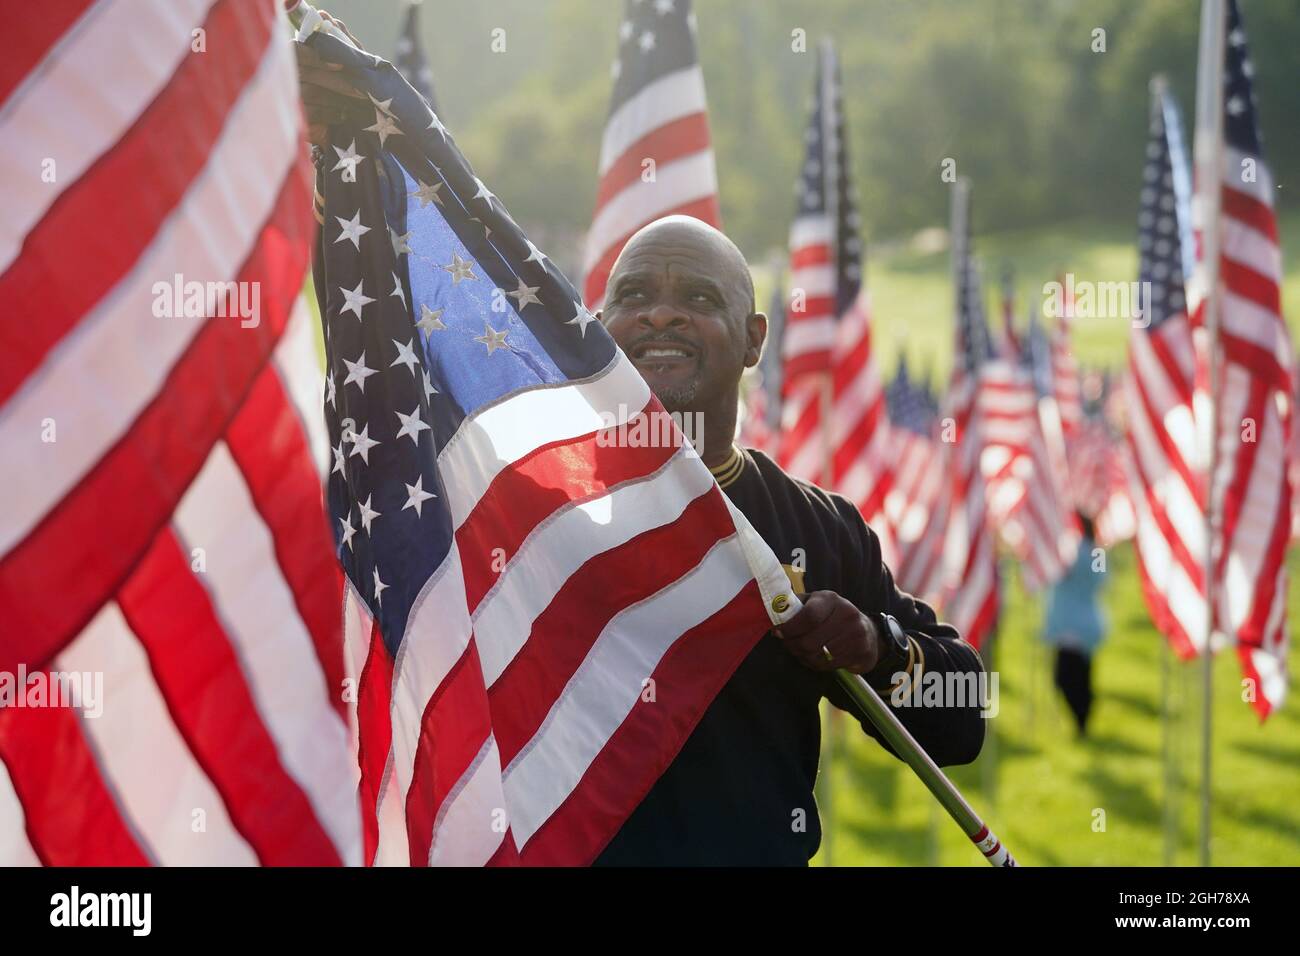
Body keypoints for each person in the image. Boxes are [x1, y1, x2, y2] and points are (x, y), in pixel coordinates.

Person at [297, 30, 986, 866]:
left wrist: (877, 644)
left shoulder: (816, 527)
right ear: (598, 328)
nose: (661, 315)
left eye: (699, 298)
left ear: (753, 339)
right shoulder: (532, 505)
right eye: (633, 298)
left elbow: (964, 712)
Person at [1042, 515, 1106, 736]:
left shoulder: (1076, 550)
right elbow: (1102, 578)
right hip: (1084, 622)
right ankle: (1083, 720)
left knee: (1068, 678)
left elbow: (1099, 578)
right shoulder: (1096, 552)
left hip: (1071, 623)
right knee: (1079, 676)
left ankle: (1082, 720)